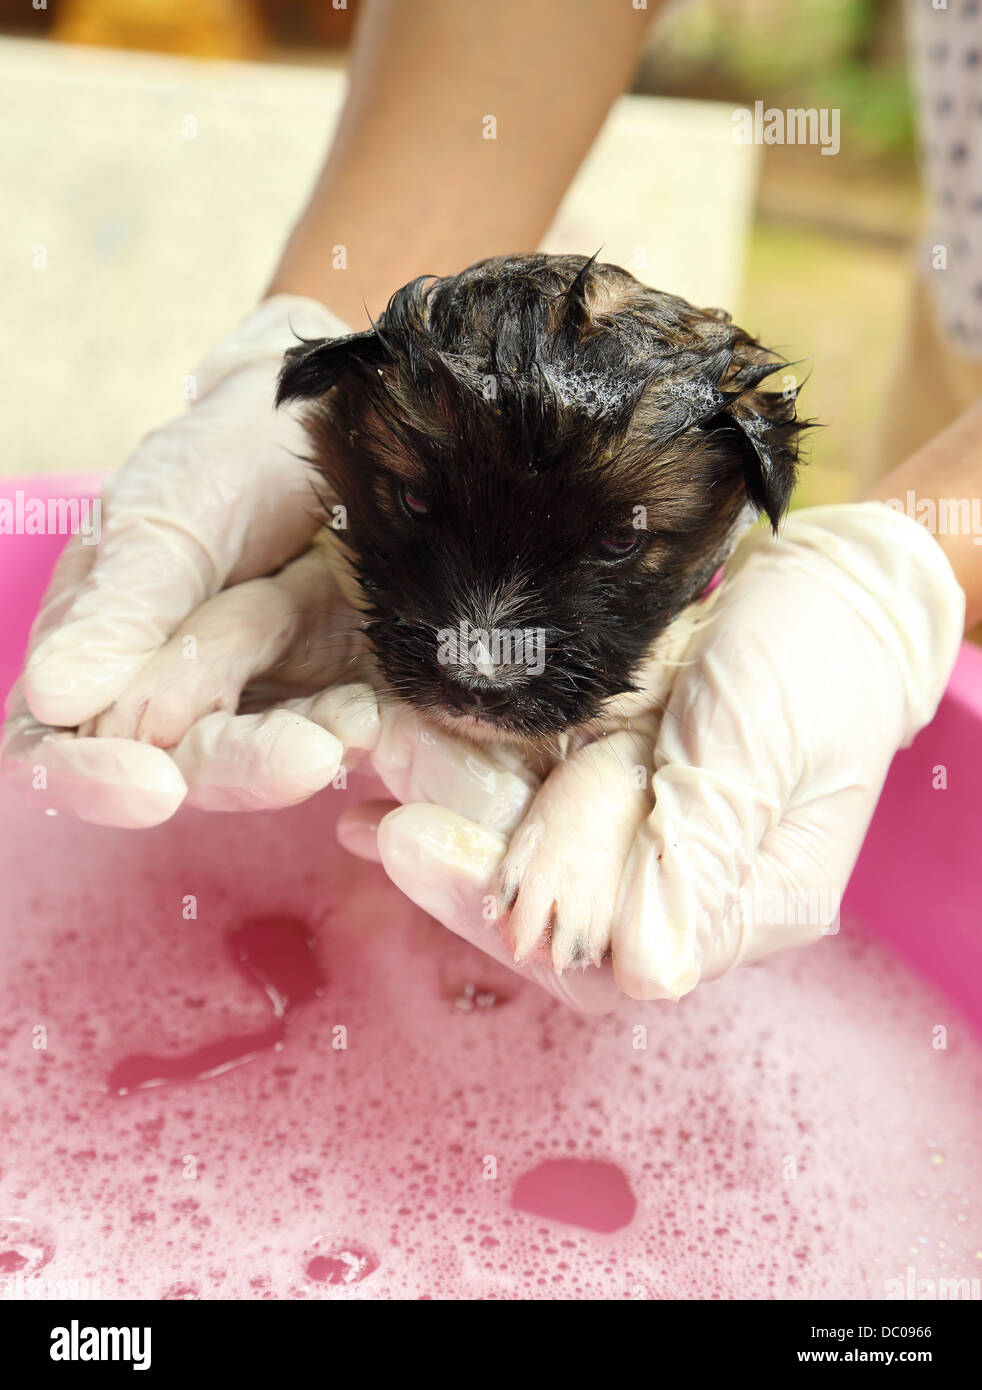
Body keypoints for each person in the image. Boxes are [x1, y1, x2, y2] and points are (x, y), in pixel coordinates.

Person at [1, 0, 977, 1009]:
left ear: (745, 497)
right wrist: (249, 616)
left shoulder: (714, 552)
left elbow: (664, 731)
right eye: (420, 504)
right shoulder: (366, 459)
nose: (480, 647)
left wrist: (898, 575)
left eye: (607, 546)